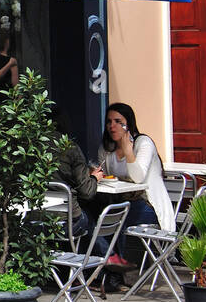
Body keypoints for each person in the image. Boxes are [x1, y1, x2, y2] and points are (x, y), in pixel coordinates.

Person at [97, 103, 175, 267]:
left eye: (118, 121)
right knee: (96, 212)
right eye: (109, 121)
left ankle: (117, 263)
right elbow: (103, 175)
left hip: (147, 205)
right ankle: (109, 260)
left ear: (129, 124)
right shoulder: (107, 148)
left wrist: (128, 152)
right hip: (119, 200)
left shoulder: (143, 143)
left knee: (116, 215)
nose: (112, 126)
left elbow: (138, 177)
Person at [49, 105, 102, 247]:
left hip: (33, 221)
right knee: (88, 217)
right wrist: (95, 178)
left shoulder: (30, 148)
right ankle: (103, 260)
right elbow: (87, 192)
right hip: (66, 222)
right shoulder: (70, 148)